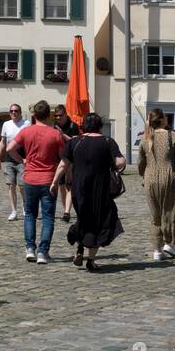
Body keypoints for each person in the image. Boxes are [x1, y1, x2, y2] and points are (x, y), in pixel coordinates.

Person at [54, 113, 124, 271]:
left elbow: (63, 164)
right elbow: (120, 162)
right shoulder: (107, 141)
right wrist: (112, 165)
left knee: (84, 218)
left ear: (83, 126)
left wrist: (53, 182)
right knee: (101, 221)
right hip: (100, 190)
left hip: (79, 189)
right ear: (99, 126)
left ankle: (80, 247)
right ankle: (91, 260)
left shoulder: (75, 142)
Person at [7, 102, 68, 263]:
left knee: (30, 216)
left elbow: (10, 149)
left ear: (34, 115)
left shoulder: (26, 131)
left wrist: (22, 160)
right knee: (48, 217)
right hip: (49, 179)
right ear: (48, 116)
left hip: (30, 179)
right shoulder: (55, 134)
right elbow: (64, 157)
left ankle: (30, 249)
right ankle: (43, 252)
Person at [137, 109, 175, 261]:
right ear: (162, 120)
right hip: (168, 178)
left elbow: (141, 163)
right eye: (166, 117)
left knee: (155, 215)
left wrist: (144, 175)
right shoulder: (173, 136)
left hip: (150, 178)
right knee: (170, 212)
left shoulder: (145, 139)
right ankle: (170, 244)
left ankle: (157, 250)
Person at [0, 103, 28, 220]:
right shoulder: (6, 124)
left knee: (22, 186)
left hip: (22, 159)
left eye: (16, 111)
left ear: (20, 112)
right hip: (9, 159)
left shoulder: (26, 124)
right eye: (12, 111)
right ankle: (14, 211)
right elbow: (3, 142)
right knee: (10, 186)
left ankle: (25, 208)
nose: (14, 113)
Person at [53, 105, 80, 222]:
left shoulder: (73, 125)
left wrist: (62, 134)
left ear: (65, 114)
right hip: (58, 158)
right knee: (61, 185)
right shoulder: (55, 126)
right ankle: (65, 209)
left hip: (71, 158)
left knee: (70, 185)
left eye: (60, 115)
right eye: (56, 116)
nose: (58, 118)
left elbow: (75, 141)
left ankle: (67, 211)